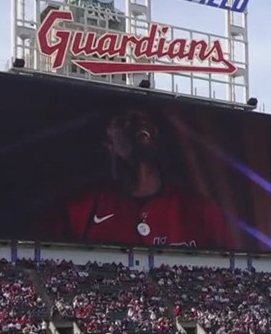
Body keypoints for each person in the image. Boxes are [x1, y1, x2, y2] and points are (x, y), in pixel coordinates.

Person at [33, 107, 235, 249]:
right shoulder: (77, 209)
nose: (138, 122)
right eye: (124, 119)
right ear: (108, 143)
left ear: (157, 134)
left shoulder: (201, 210)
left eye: (144, 117)